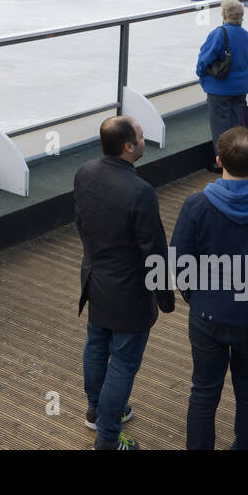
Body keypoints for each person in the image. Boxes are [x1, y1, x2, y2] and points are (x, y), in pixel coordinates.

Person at [171, 127, 248, 450]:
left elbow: (178, 264)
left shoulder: (196, 206)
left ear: (219, 161)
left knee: (204, 392)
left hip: (208, 314)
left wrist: (197, 297)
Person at [75, 115, 175, 449]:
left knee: (96, 345)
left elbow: (82, 223)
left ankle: (95, 408)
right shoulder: (140, 191)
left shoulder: (85, 172)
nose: (146, 142)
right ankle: (107, 438)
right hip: (129, 292)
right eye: (143, 138)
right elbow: (154, 250)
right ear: (129, 147)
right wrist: (165, 296)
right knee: (123, 362)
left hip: (95, 280)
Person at [196, 0, 248, 173]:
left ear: (224, 15)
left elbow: (204, 59)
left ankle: (224, 162)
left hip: (220, 89)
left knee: (220, 127)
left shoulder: (219, 33)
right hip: (240, 88)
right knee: (236, 125)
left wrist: (202, 75)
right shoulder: (246, 35)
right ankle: (238, 159)